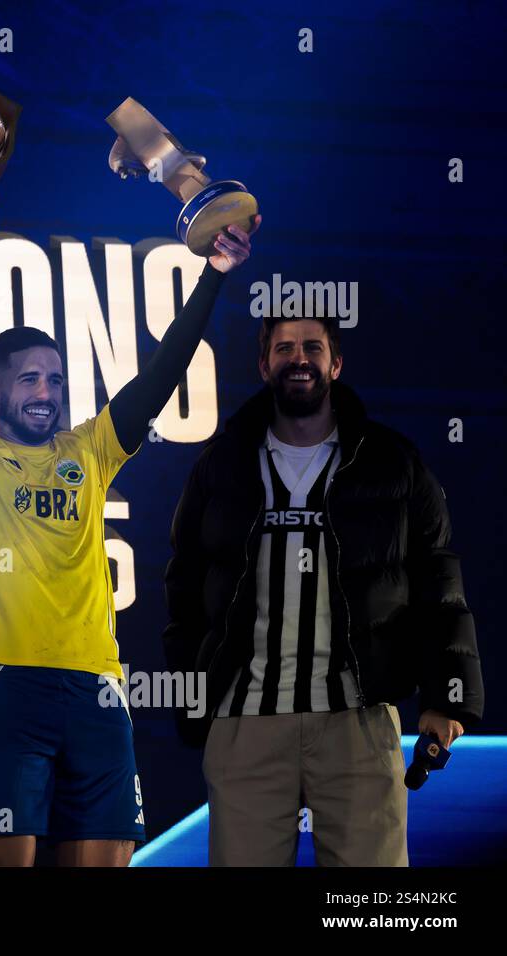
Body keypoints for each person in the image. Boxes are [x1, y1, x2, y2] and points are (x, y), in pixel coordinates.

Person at [0, 219, 259, 867]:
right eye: (29, 380)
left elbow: (161, 375)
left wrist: (214, 276)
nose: (47, 393)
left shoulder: (90, 450)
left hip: (100, 692)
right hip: (6, 686)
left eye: (55, 379)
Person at [161, 311, 483, 866]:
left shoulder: (392, 462)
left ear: (336, 363)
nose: (299, 359)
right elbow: (185, 586)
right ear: (264, 365)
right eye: (284, 349)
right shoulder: (222, 464)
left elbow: (439, 584)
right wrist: (198, 696)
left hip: (357, 723)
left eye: (312, 347)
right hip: (246, 723)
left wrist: (446, 696)